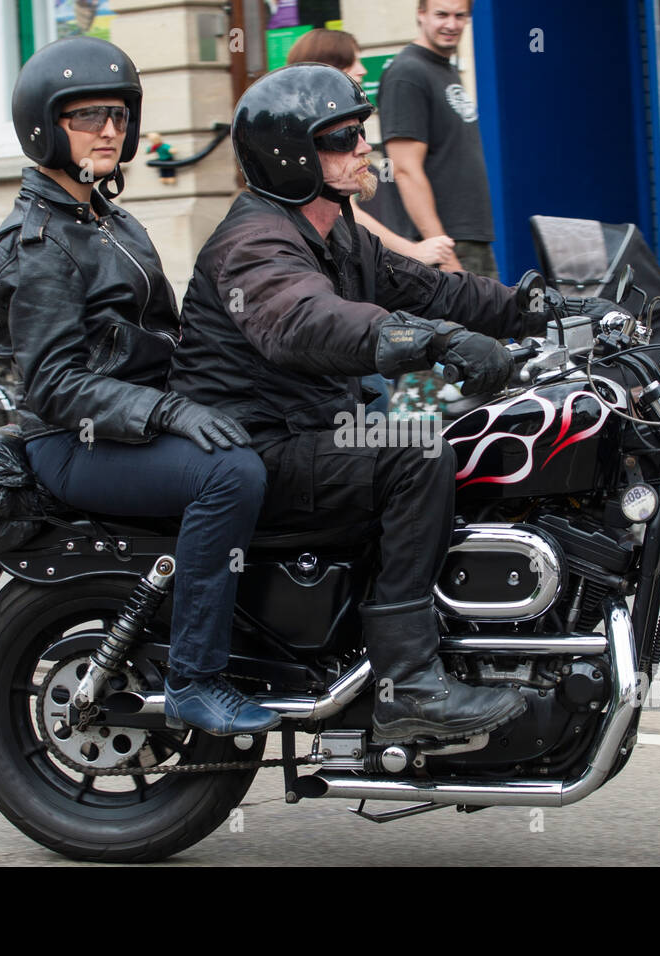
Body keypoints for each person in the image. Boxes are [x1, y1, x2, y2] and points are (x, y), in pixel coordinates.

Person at [170, 64, 553, 744]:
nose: (362, 148)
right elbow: (307, 323)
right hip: (259, 447)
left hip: (316, 433)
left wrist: (544, 310)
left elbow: (437, 291)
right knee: (417, 450)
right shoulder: (255, 242)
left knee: (466, 436)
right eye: (341, 138)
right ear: (292, 157)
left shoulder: (340, 234)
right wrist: (439, 343)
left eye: (360, 132)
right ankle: (408, 682)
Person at [0, 36, 275, 736]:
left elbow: (168, 336)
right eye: (85, 116)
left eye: (117, 114)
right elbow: (55, 383)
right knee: (228, 475)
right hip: (74, 441)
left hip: (134, 422)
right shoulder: (39, 244)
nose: (108, 129)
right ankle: (197, 678)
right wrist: (167, 408)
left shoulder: (111, 220)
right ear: (46, 127)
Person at [287, 28, 455, 269]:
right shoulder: (310, 134)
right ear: (327, 68)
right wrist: (412, 251)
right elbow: (345, 213)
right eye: (351, 62)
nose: (362, 70)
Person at [379, 0, 491, 278]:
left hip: (468, 238)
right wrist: (445, 254)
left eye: (459, 15)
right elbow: (404, 170)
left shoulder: (444, 68)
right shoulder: (407, 73)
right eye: (441, 14)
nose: (451, 24)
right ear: (421, 14)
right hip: (443, 243)